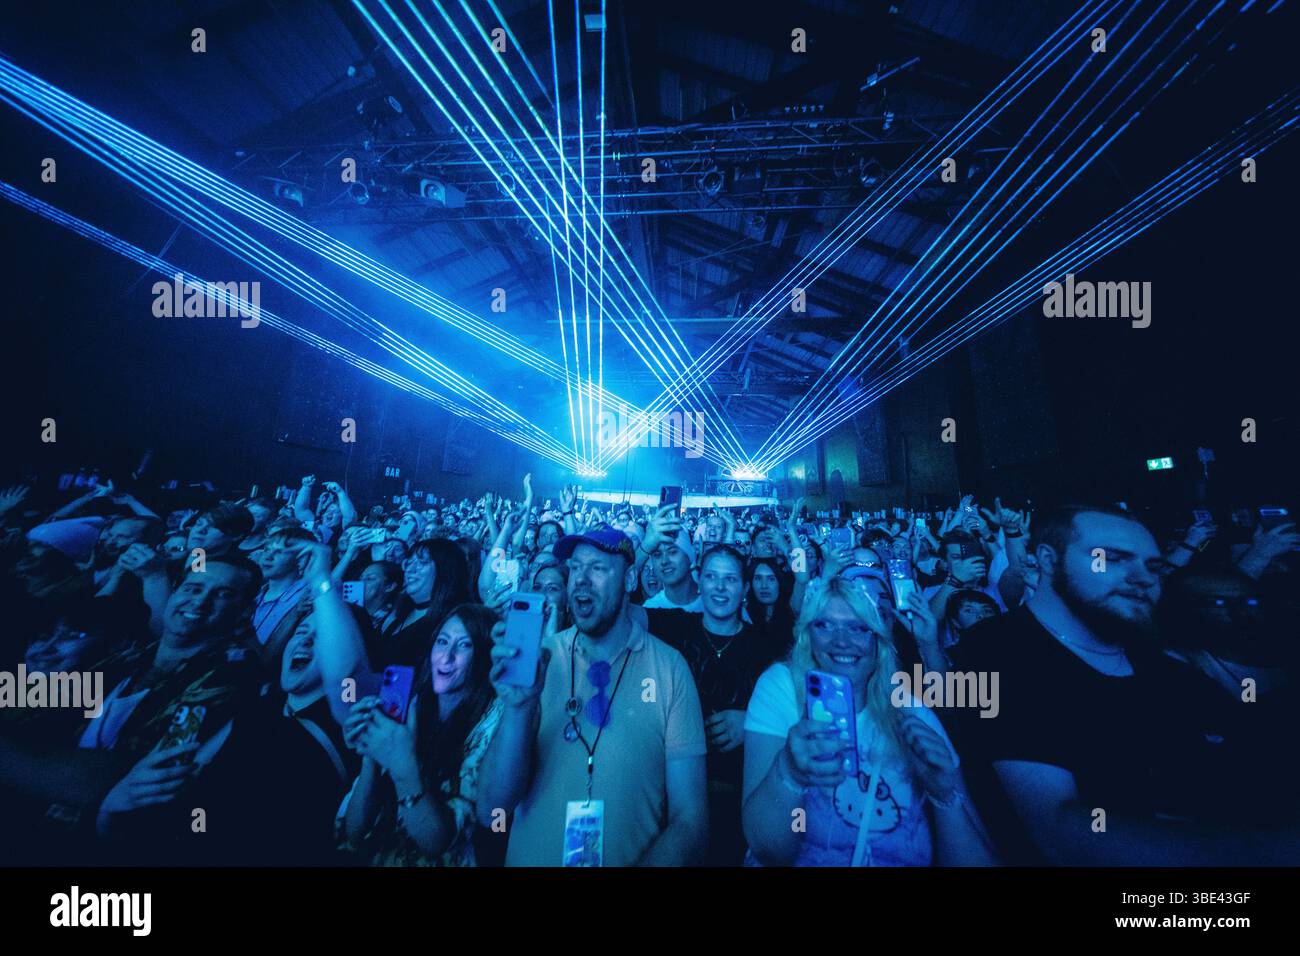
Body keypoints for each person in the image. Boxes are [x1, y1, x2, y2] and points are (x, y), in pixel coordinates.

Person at [951, 504, 1300, 865]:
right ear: (1048, 560)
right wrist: (1261, 851)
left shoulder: (1157, 655)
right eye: (1113, 559)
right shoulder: (996, 650)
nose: (1143, 578)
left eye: (1153, 566)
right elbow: (1057, 829)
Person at [477, 526, 708, 866]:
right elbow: (493, 810)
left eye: (598, 568)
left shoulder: (670, 669)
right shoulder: (540, 661)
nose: (581, 579)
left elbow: (691, 822)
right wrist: (518, 708)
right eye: (575, 568)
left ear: (630, 581)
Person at [741, 576, 995, 866]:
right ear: (807, 635)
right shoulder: (782, 688)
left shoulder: (912, 713)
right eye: (824, 625)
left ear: (879, 640)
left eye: (858, 628)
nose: (841, 641)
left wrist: (944, 799)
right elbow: (768, 850)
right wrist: (788, 773)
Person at [644, 545, 783, 865]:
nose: (720, 588)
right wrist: (644, 548)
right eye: (711, 577)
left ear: (745, 588)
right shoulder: (674, 627)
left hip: (739, 801)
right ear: (699, 582)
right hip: (672, 799)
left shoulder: (766, 647)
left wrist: (753, 724)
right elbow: (617, 613)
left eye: (731, 579)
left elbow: (793, 716)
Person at [339, 605, 503, 866]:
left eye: (463, 645)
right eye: (442, 641)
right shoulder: (409, 705)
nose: (446, 656)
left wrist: (402, 764)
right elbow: (354, 833)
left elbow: (437, 843)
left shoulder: (492, 723)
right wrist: (372, 754)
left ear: (483, 655)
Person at [375, 538, 470, 668]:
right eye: (410, 562)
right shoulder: (401, 611)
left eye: (422, 562)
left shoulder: (450, 623)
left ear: (445, 571)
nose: (410, 569)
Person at [638, 506, 702, 611]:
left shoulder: (713, 604)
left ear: (690, 557)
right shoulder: (649, 609)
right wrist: (645, 546)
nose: (664, 561)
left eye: (672, 552)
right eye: (657, 555)